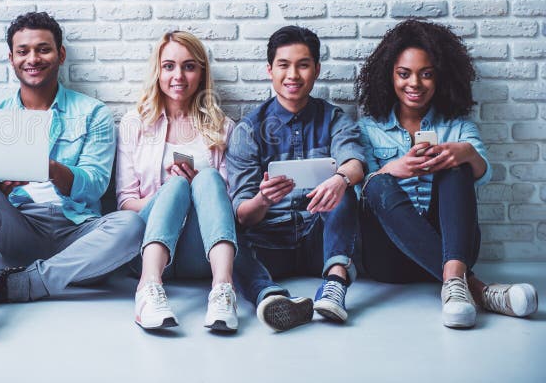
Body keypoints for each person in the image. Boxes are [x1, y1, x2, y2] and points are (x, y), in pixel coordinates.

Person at [0, 11, 145, 327]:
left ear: (60, 54)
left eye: (43, 49)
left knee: (132, 225)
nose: (33, 59)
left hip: (76, 233)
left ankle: (26, 283)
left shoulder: (93, 113)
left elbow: (95, 185)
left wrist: (49, 168)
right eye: (23, 51)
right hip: (19, 228)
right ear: (11, 59)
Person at [356, 18, 538, 328]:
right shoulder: (368, 129)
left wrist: (465, 153)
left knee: (457, 168)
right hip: (388, 258)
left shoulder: (458, 125)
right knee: (376, 183)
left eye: (426, 74)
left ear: (440, 78)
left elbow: (484, 173)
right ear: (389, 76)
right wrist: (392, 170)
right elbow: (362, 196)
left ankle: (454, 282)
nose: (414, 83)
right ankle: (479, 290)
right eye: (404, 74)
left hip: (453, 246)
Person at [226, 26, 365, 332]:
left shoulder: (334, 119)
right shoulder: (248, 130)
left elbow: (355, 164)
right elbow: (243, 215)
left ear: (316, 69)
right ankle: (271, 297)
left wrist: (340, 179)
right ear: (269, 70)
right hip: (269, 241)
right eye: (283, 65)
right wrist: (263, 198)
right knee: (228, 241)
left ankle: (334, 284)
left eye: (303, 65)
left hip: (321, 237)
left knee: (346, 190)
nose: (293, 75)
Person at [116, 31, 238, 332]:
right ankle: (148, 288)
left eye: (189, 66)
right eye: (169, 66)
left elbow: (231, 207)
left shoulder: (223, 129)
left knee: (207, 177)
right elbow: (125, 203)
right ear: (158, 71)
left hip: (201, 253)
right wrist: (171, 192)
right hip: (146, 249)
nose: (178, 76)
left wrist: (197, 189)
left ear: (201, 73)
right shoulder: (134, 124)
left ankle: (223, 290)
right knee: (177, 184)